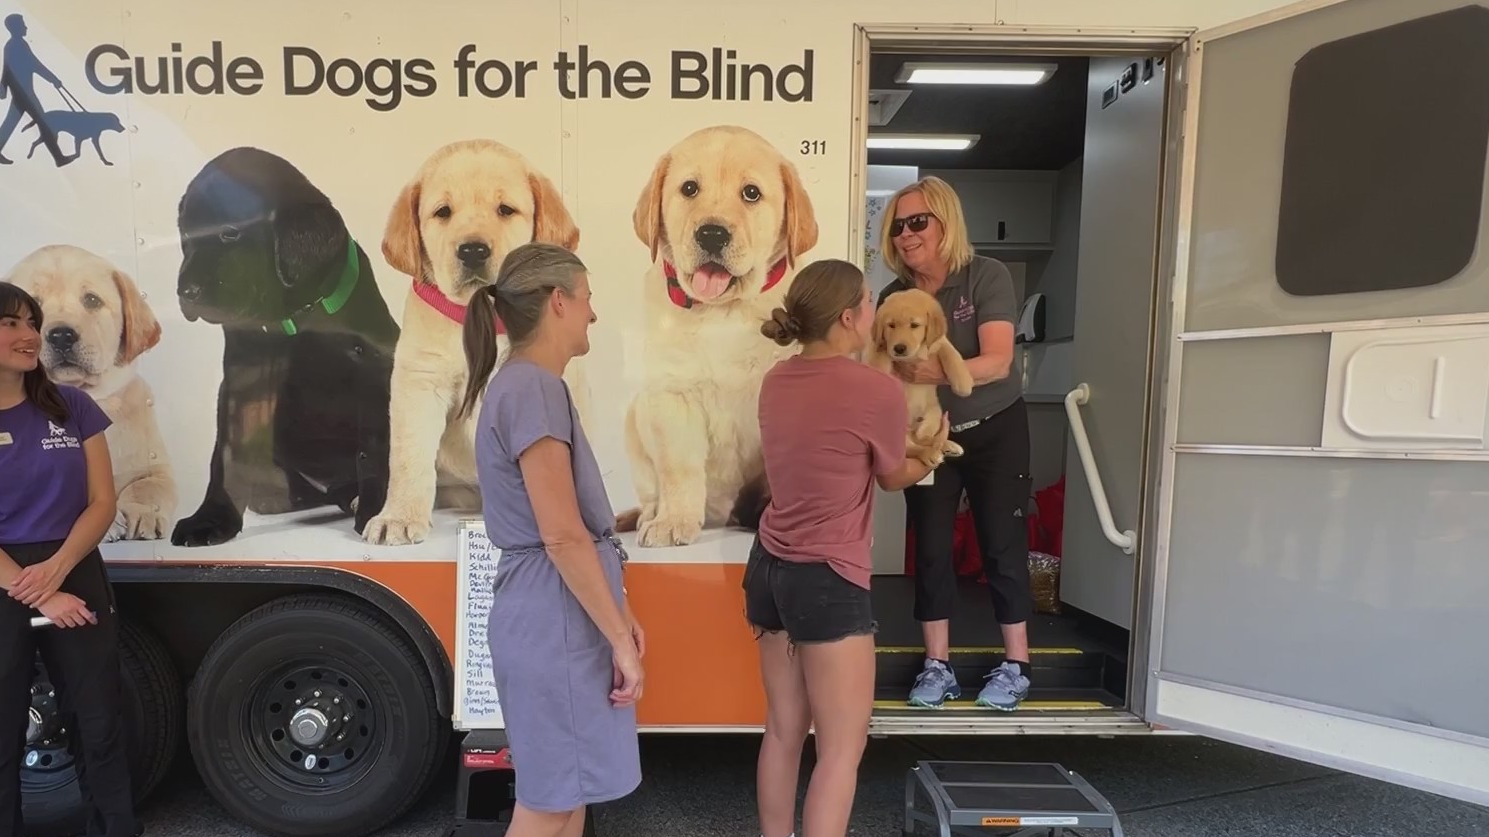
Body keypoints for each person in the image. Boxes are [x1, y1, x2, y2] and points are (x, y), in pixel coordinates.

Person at [748, 258, 943, 837]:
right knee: (840, 747)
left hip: (769, 567)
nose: (875, 313)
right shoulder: (875, 389)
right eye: (868, 302)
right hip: (829, 577)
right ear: (848, 316)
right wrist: (931, 454)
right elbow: (890, 475)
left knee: (783, 731)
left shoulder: (775, 379)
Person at [456, 243, 644, 837]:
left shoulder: (524, 385)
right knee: (551, 802)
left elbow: (574, 535)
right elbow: (563, 535)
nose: (594, 314)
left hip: (552, 614)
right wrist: (619, 637)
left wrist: (620, 613)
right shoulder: (533, 388)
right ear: (559, 302)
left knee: (569, 794)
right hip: (555, 619)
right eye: (587, 299)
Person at [876, 175, 1035, 711]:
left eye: (918, 221)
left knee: (1002, 544)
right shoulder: (893, 298)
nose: (906, 234)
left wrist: (935, 370)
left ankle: (1017, 664)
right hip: (927, 438)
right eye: (898, 225)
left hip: (995, 426)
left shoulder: (985, 276)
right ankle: (936, 665)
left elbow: (998, 360)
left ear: (947, 222)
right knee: (932, 548)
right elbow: (884, 373)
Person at [0, 281, 138, 836]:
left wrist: (57, 572)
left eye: (31, 322)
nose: (30, 334)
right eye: (11, 323)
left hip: (74, 565)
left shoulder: (72, 405)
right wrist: (38, 592)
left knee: (99, 721)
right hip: (5, 579)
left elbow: (103, 502)